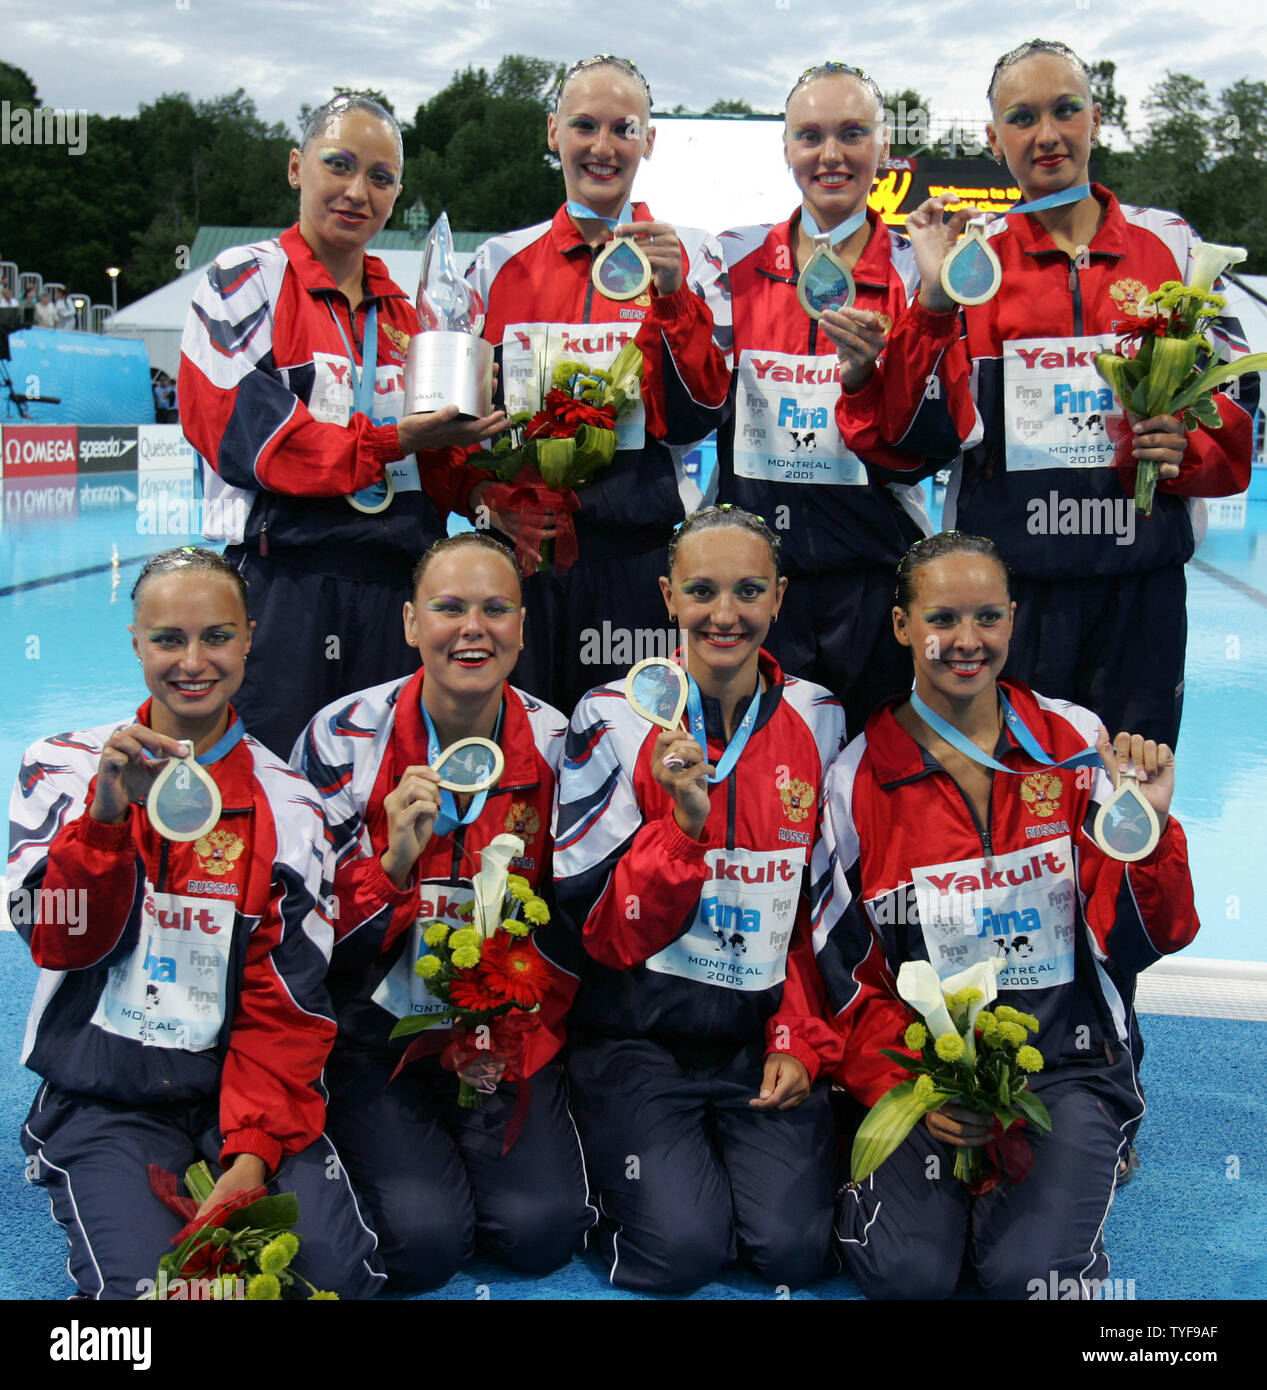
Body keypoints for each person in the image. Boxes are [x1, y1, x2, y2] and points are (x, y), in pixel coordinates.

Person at [839, 38, 1258, 748]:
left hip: (1138, 595)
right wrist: (935, 307)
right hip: (1009, 605)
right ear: (994, 139)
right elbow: (907, 445)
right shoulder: (972, 265)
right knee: (1015, 821)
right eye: (1021, 117)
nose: (1046, 134)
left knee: (1130, 803)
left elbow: (1236, 399)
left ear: (1095, 117)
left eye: (1064, 110)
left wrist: (1185, 448)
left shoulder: (1172, 247)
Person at [813, 532, 1198, 1299]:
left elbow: (1155, 935)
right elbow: (842, 978)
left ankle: (1054, 1178)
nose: (966, 641)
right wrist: (916, 1082)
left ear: (1012, 620)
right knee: (909, 1278)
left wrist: (1146, 835)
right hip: (923, 1077)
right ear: (900, 627)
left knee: (1028, 1281)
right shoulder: (855, 780)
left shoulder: (1074, 744)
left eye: (986, 617)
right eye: (941, 618)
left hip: (1064, 1068)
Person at [8, 547, 384, 1300]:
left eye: (216, 637)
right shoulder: (61, 768)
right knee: (156, 1296)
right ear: (136, 644)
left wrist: (250, 1153)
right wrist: (107, 819)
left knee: (338, 1281)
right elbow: (59, 937)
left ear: (249, 638)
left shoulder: (291, 807)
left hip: (233, 1095)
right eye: (169, 639)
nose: (192, 661)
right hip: (105, 1097)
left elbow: (287, 1008)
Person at [542, 506, 846, 1293]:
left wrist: (797, 1035)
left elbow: (814, 916)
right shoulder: (609, 719)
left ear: (778, 598)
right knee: (678, 1254)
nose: (724, 613)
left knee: (794, 1251)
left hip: (755, 1040)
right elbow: (603, 933)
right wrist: (682, 830)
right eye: (701, 591)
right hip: (637, 1039)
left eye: (748, 591)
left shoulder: (819, 717)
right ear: (667, 596)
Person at [292, 532, 593, 1291]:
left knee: (541, 1233)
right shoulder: (341, 737)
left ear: (523, 628)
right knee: (424, 1245)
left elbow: (583, 923)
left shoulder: (563, 747)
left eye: (495, 609)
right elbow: (298, 933)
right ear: (408, 622)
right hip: (373, 1036)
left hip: (506, 1038)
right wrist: (390, 864)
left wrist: (509, 1023)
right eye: (448, 608)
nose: (472, 629)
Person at [179, 93, 507, 758]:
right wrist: (395, 441)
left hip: (398, 595)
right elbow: (253, 442)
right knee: (276, 787)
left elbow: (435, 466)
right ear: (296, 168)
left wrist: (481, 491)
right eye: (340, 165)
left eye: (380, 178)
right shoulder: (241, 283)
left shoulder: (411, 317)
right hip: (285, 590)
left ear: (397, 194)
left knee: (389, 796)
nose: (358, 191)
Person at [466, 54, 731, 713]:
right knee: (521, 750)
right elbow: (458, 423)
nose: (603, 146)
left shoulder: (695, 256)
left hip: (635, 563)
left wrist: (672, 297)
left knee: (633, 751)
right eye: (585, 125)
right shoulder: (496, 264)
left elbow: (700, 414)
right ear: (552, 131)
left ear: (649, 140)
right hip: (522, 560)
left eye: (624, 128)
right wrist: (484, 494)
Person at [713, 62, 954, 738]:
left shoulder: (918, 269)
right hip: (754, 588)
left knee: (874, 789)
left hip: (876, 586)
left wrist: (875, 376)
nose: (830, 155)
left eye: (851, 134)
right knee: (757, 787)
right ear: (786, 148)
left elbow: (933, 443)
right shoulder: (730, 262)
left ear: (883, 149)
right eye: (809, 135)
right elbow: (693, 406)